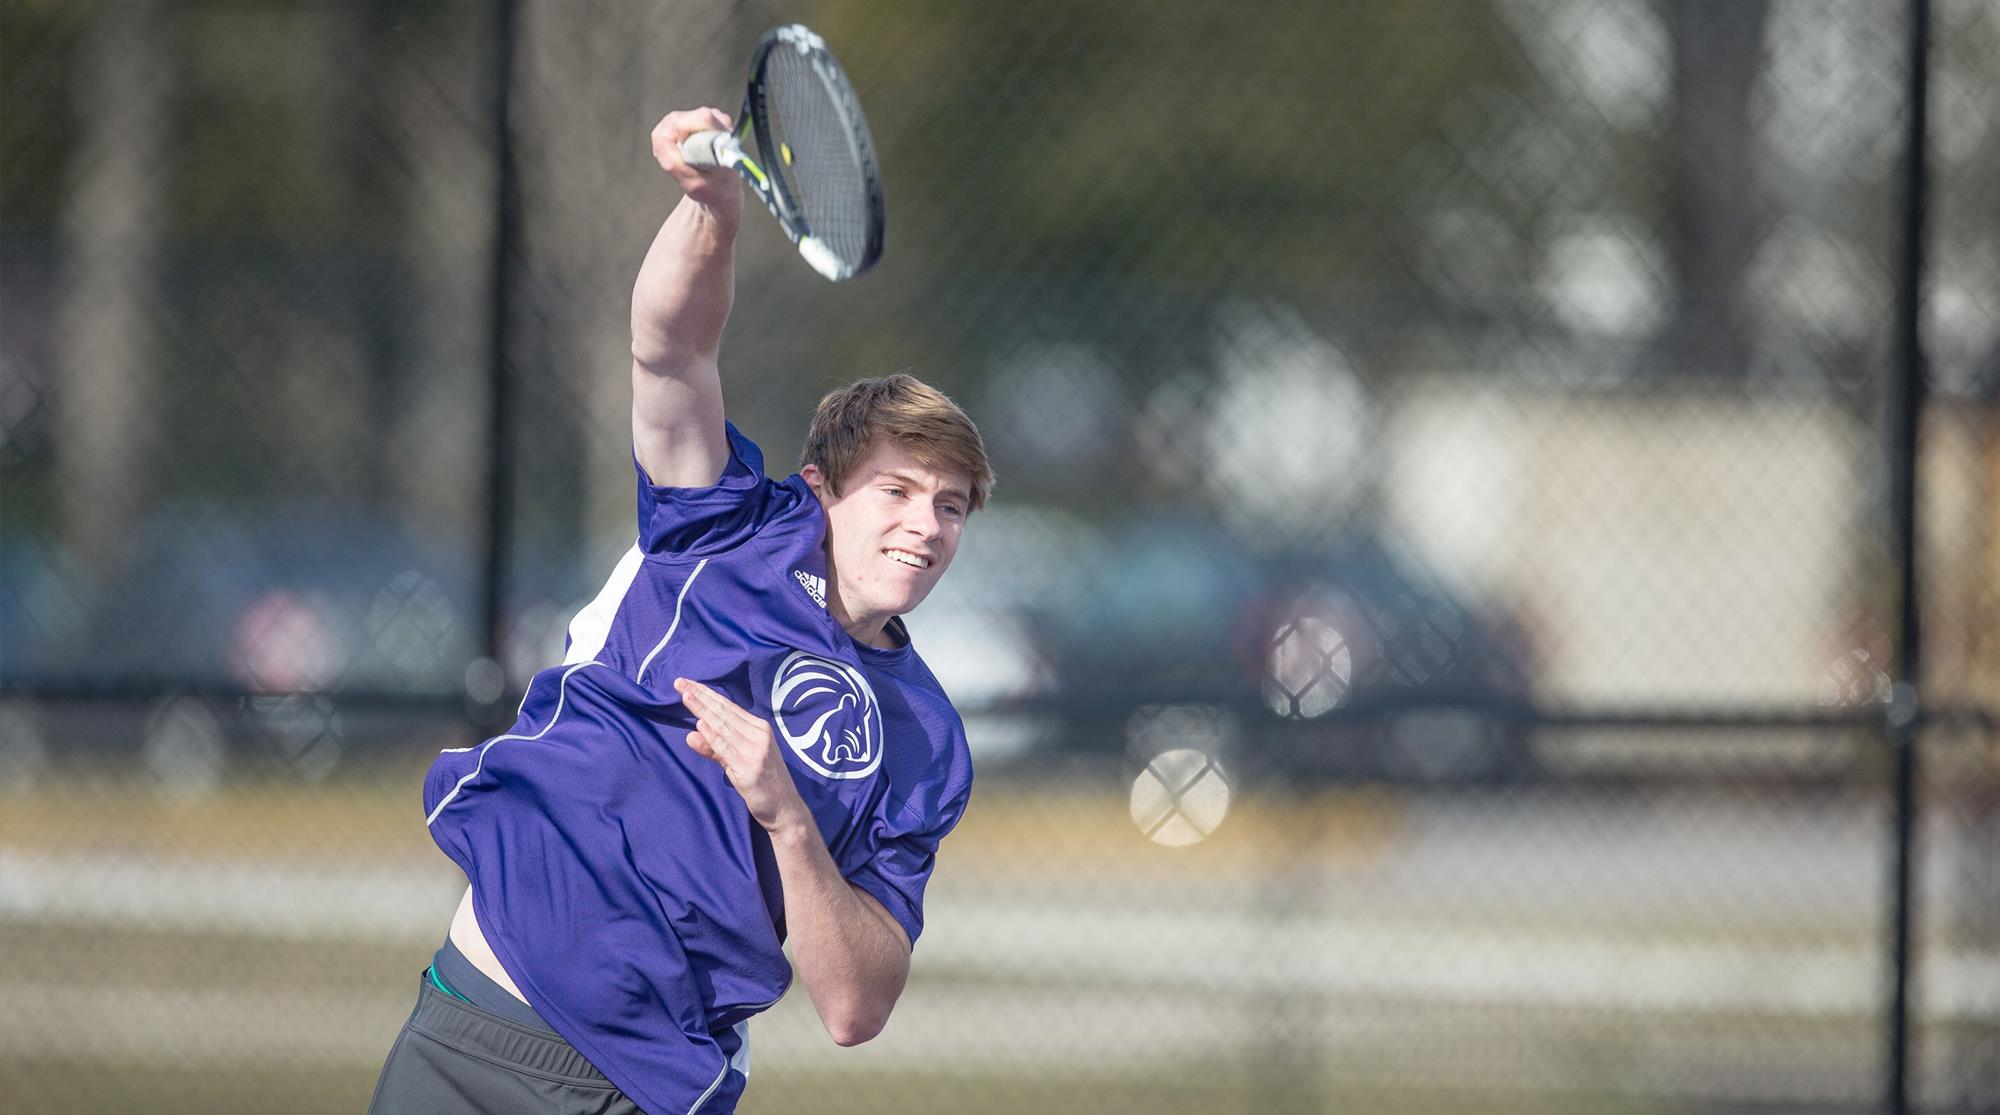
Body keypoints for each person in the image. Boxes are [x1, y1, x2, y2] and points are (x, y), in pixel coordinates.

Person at [368, 106, 992, 1115]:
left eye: (950, 504)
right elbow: (668, 351)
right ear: (820, 490)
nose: (925, 526)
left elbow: (855, 1003)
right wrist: (710, 208)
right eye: (896, 491)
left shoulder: (922, 734)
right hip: (473, 1017)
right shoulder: (726, 528)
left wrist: (787, 817)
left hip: (642, 1090)